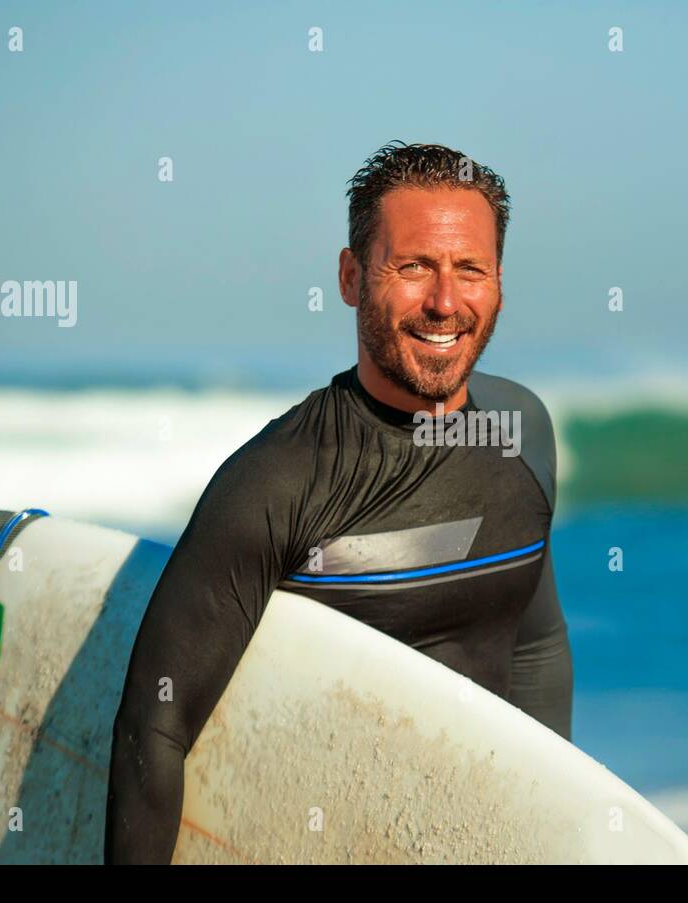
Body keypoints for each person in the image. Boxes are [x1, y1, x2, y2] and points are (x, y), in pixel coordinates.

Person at [105, 141, 572, 864]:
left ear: (500, 283)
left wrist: (551, 832)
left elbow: (534, 641)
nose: (446, 301)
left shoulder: (523, 435)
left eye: (469, 269)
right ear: (352, 277)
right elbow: (155, 726)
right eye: (414, 266)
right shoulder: (277, 481)